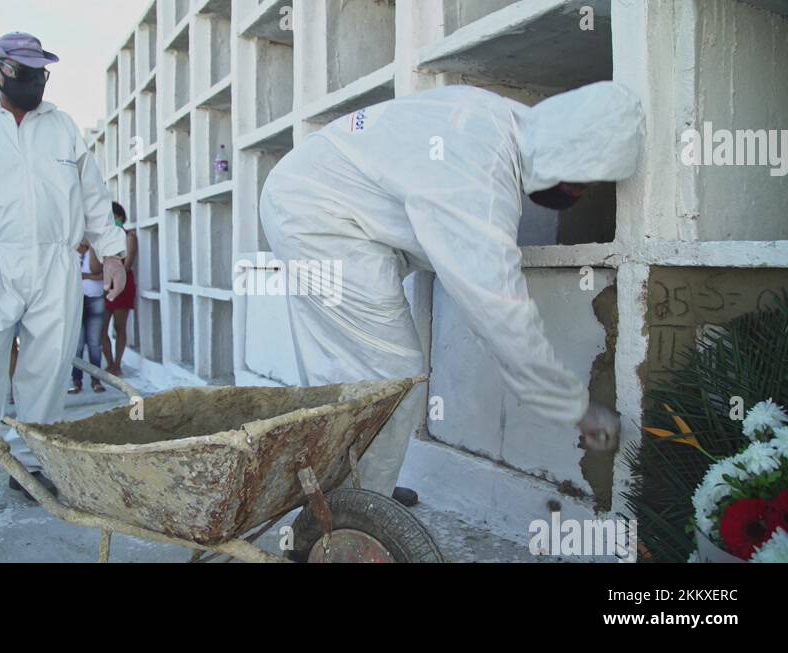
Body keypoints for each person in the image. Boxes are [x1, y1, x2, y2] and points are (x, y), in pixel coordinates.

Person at [259, 82, 645, 507]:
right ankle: (352, 513)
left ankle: (357, 493)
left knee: (352, 374)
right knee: (391, 375)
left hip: (314, 197)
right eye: (582, 183)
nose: (579, 195)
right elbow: (498, 311)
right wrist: (577, 409)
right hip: (316, 214)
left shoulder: (497, 121)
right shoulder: (477, 174)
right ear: (569, 160)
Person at [0, 32, 129, 519]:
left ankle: (34, 467)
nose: (36, 82)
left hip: (56, 262)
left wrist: (112, 254)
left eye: (41, 73)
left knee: (48, 366)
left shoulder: (62, 126)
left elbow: (94, 198)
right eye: (25, 73)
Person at [101, 202, 137, 376]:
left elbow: (128, 264)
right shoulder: (105, 238)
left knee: (119, 326)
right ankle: (109, 362)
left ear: (121, 217)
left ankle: (117, 364)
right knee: (101, 328)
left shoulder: (129, 237)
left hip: (123, 285)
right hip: (106, 285)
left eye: (114, 217)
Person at [69, 240, 106, 394]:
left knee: (94, 343)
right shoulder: (69, 252)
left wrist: (91, 247)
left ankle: (96, 380)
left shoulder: (95, 250)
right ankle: (76, 381)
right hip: (75, 302)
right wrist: (91, 276)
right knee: (77, 345)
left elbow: (99, 272)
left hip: (95, 299)